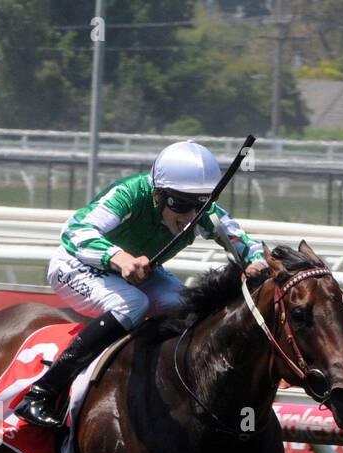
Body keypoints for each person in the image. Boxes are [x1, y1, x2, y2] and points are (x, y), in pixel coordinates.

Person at [14, 139, 268, 429]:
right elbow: (74, 231)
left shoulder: (200, 212)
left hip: (141, 272)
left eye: (199, 205)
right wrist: (118, 257)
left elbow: (244, 242)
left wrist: (255, 262)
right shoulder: (130, 194)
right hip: (78, 265)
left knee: (184, 308)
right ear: (158, 194)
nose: (188, 218)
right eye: (179, 204)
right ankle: (42, 393)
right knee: (133, 304)